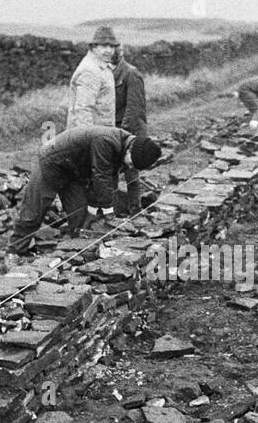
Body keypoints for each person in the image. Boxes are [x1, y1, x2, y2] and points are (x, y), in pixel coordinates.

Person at [8, 127, 162, 258]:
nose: (130, 168)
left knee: (80, 216)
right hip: (52, 162)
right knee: (34, 212)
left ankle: (78, 253)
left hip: (74, 170)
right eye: (132, 164)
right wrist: (109, 213)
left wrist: (98, 210)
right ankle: (14, 253)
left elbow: (109, 180)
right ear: (130, 151)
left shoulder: (122, 147)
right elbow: (101, 177)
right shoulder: (106, 141)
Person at [112, 46, 148, 215]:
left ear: (121, 53)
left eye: (114, 50)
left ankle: (135, 208)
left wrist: (122, 136)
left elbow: (133, 110)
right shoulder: (106, 74)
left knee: (130, 173)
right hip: (114, 129)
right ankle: (113, 210)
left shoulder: (131, 73)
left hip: (129, 131)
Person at [66, 26, 118, 129]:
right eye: (104, 46)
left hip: (102, 133)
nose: (109, 51)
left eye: (112, 46)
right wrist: (88, 140)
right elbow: (83, 110)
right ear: (94, 47)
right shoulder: (90, 71)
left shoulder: (103, 66)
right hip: (91, 137)